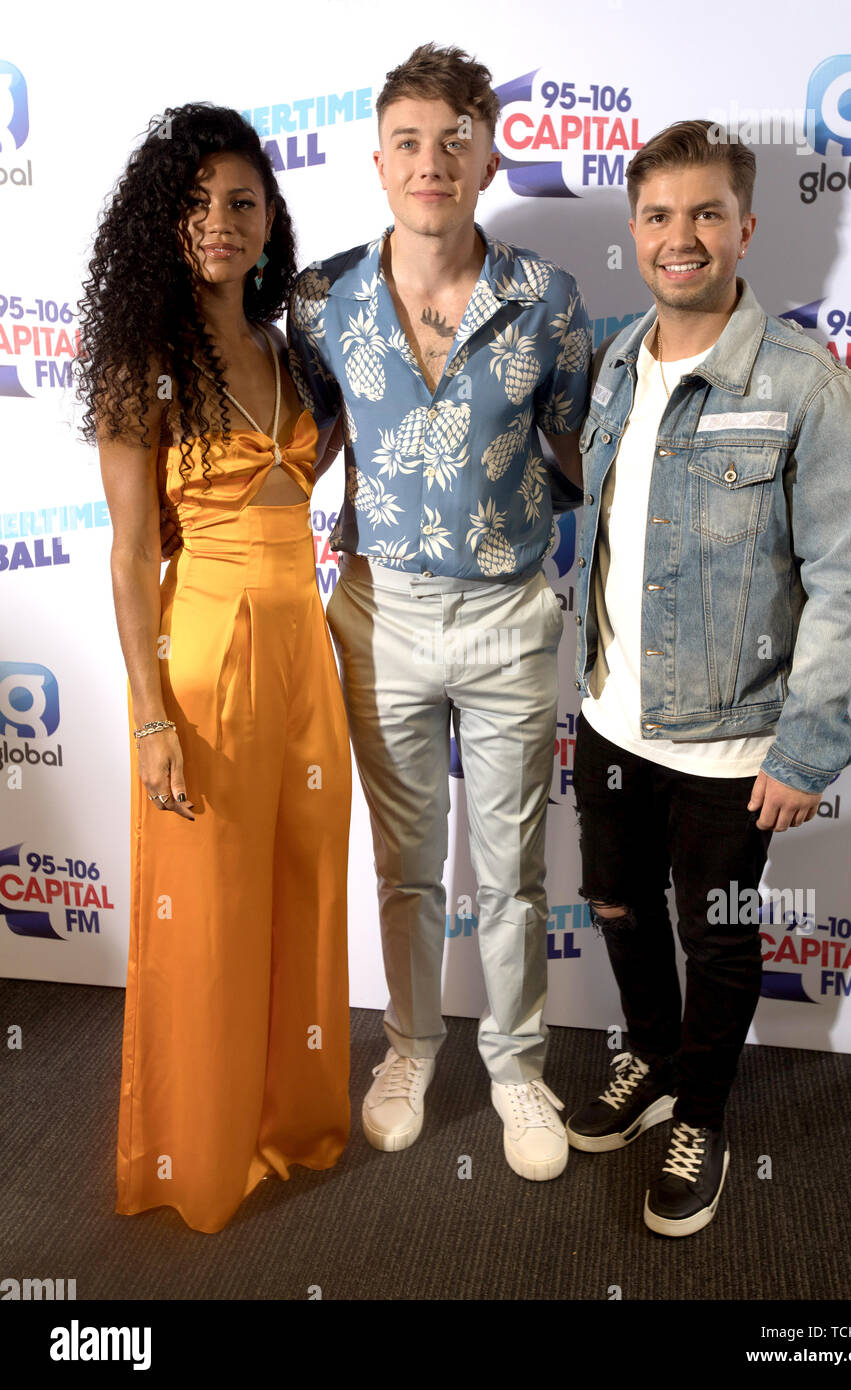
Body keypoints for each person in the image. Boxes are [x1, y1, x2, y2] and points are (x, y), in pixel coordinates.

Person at [567, 120, 851, 1235]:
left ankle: (700, 1108)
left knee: (718, 937)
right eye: (658, 215)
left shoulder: (805, 384)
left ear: (745, 228)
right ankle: (647, 1055)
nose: (681, 237)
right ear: (635, 232)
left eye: (706, 213)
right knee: (615, 906)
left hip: (735, 746)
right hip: (611, 721)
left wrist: (805, 745)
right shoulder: (615, 359)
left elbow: (847, 580)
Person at [288, 44, 592, 1181]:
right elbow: (306, 440)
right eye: (410, 142)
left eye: (453, 141)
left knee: (509, 868)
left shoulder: (546, 299)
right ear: (378, 162)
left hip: (509, 615)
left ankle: (517, 1068)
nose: (432, 162)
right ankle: (408, 1048)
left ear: (487, 153)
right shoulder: (321, 300)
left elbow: (573, 447)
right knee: (408, 863)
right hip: (377, 613)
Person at [78, 104, 351, 1234]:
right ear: (162, 223)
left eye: (242, 201)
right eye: (195, 204)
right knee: (212, 904)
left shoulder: (292, 347)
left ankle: (287, 1120)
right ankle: (197, 1144)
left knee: (303, 888)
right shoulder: (142, 365)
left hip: (305, 650)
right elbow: (137, 550)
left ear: (271, 217)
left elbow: (316, 468)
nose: (221, 223)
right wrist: (150, 718)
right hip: (207, 659)